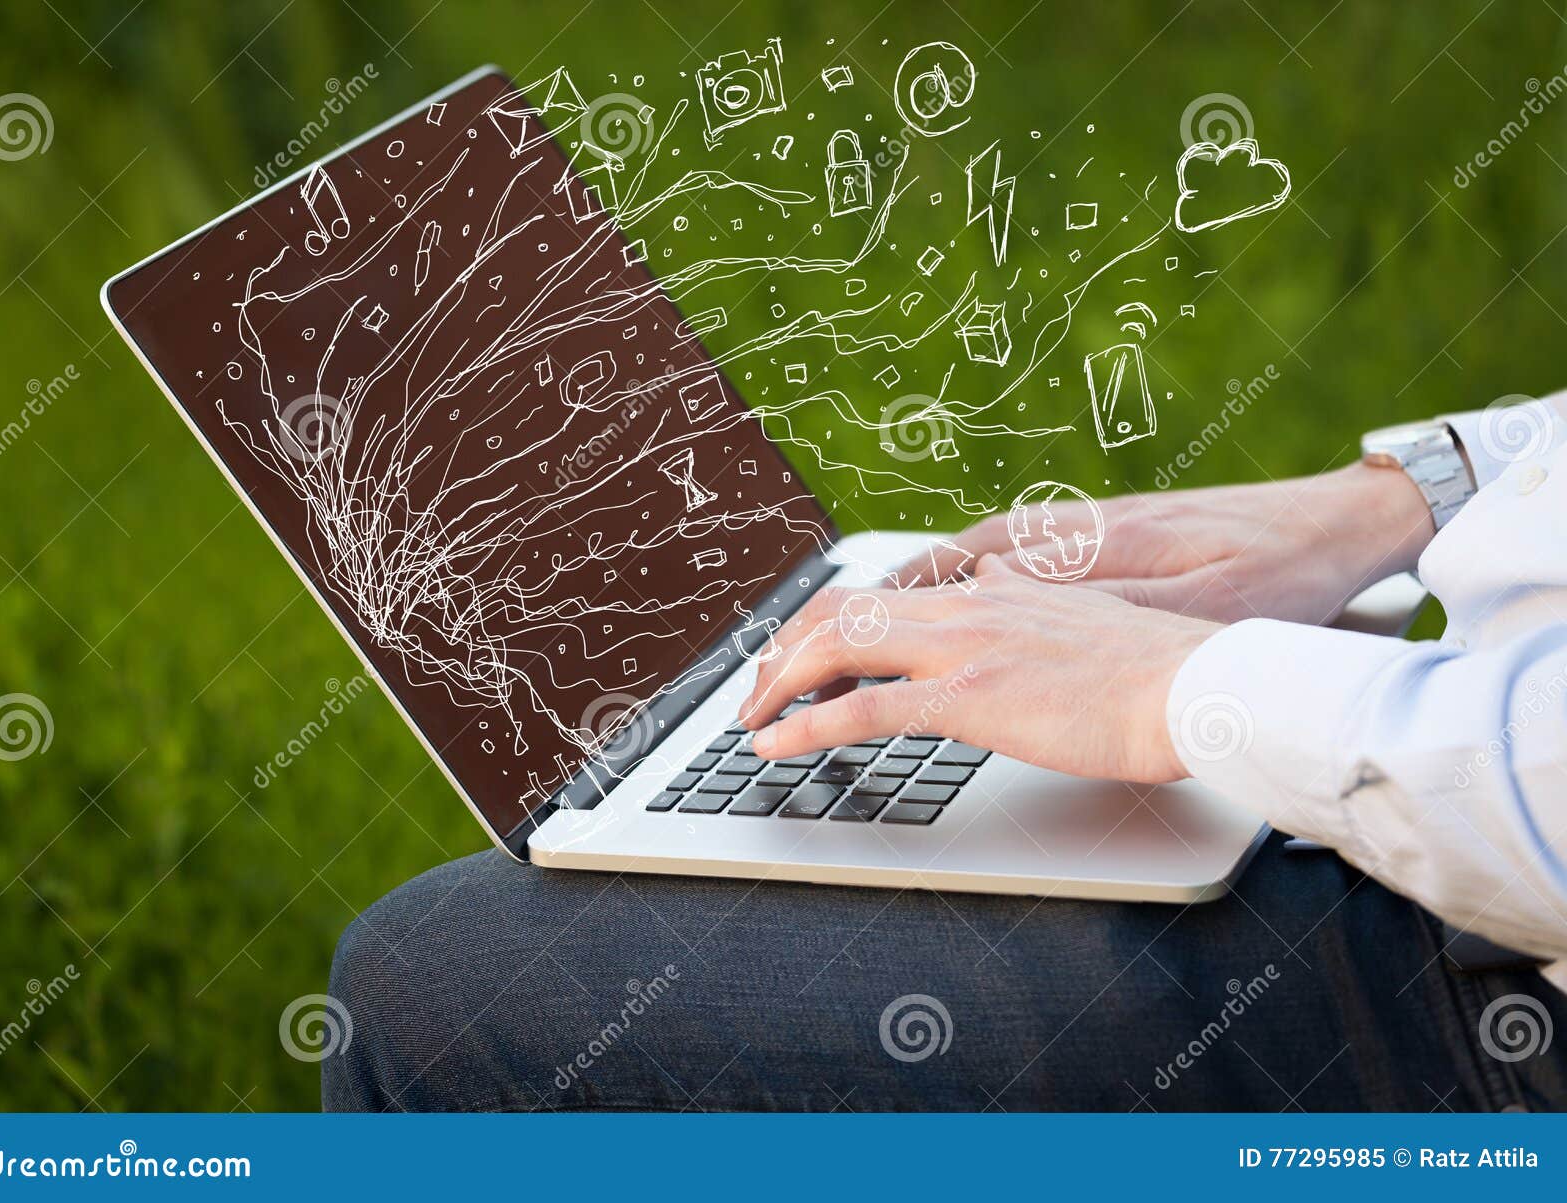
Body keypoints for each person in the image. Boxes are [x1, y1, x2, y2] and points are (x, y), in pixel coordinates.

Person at [324, 399, 1567, 1112]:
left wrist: (1177, 685)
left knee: (429, 988)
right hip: (1478, 778)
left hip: (1504, 976)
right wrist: (1420, 493)